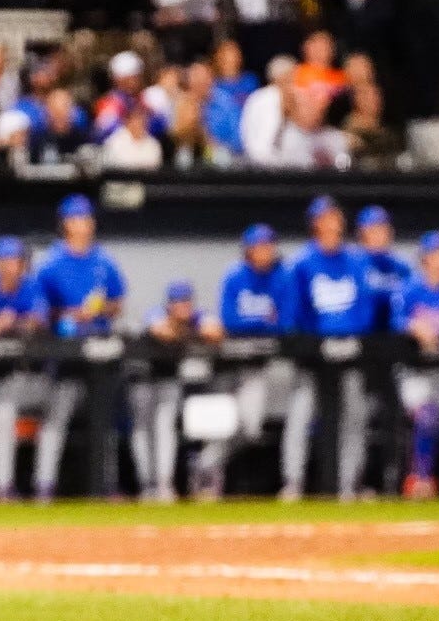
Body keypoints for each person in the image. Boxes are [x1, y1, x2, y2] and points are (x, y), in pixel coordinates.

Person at [191, 223, 299, 501]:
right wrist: (264, 322)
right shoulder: (235, 276)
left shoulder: (282, 277)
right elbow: (229, 320)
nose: (265, 251)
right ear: (248, 250)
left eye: (269, 246)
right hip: (227, 362)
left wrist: (256, 325)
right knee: (219, 422)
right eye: (259, 246)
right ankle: (208, 475)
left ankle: (205, 462)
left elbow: (285, 324)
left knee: (250, 428)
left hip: (257, 366)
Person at [33, 194, 127, 501]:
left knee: (105, 424)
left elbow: (117, 303)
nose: (82, 225)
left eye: (86, 218)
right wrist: (70, 315)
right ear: (65, 224)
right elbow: (41, 313)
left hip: (100, 353)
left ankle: (108, 485)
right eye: (75, 219)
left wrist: (102, 308)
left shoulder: (104, 261)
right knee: (56, 421)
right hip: (64, 353)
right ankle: (44, 486)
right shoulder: (51, 263)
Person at [285, 196, 377, 500]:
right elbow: (295, 311)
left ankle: (350, 483)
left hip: (351, 350)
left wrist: (353, 337)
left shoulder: (356, 260)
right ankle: (294, 482)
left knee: (354, 416)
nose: (332, 223)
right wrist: (313, 342)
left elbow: (365, 306)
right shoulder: (301, 262)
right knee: (301, 414)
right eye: (325, 218)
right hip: (313, 354)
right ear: (315, 224)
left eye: (335, 217)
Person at [392, 232, 439, 499]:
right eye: (435, 254)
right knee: (425, 416)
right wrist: (414, 326)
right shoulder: (409, 288)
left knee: (436, 423)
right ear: (424, 258)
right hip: (413, 368)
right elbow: (396, 320)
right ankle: (418, 477)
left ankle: (427, 477)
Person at [0, 236, 50, 501]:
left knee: (9, 411)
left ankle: (35, 487)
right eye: (4, 260)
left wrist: (13, 323)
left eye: (14, 260)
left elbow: (38, 321)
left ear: (22, 264)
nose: (9, 266)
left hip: (26, 376)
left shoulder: (31, 288)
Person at [131, 280, 209, 502]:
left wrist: (194, 326)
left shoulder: (196, 316)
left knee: (165, 427)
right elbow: (162, 331)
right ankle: (147, 485)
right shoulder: (156, 313)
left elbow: (214, 330)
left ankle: (164, 483)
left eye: (186, 302)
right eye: (177, 302)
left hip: (167, 378)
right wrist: (189, 330)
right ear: (169, 304)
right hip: (140, 377)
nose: (182, 307)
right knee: (142, 430)